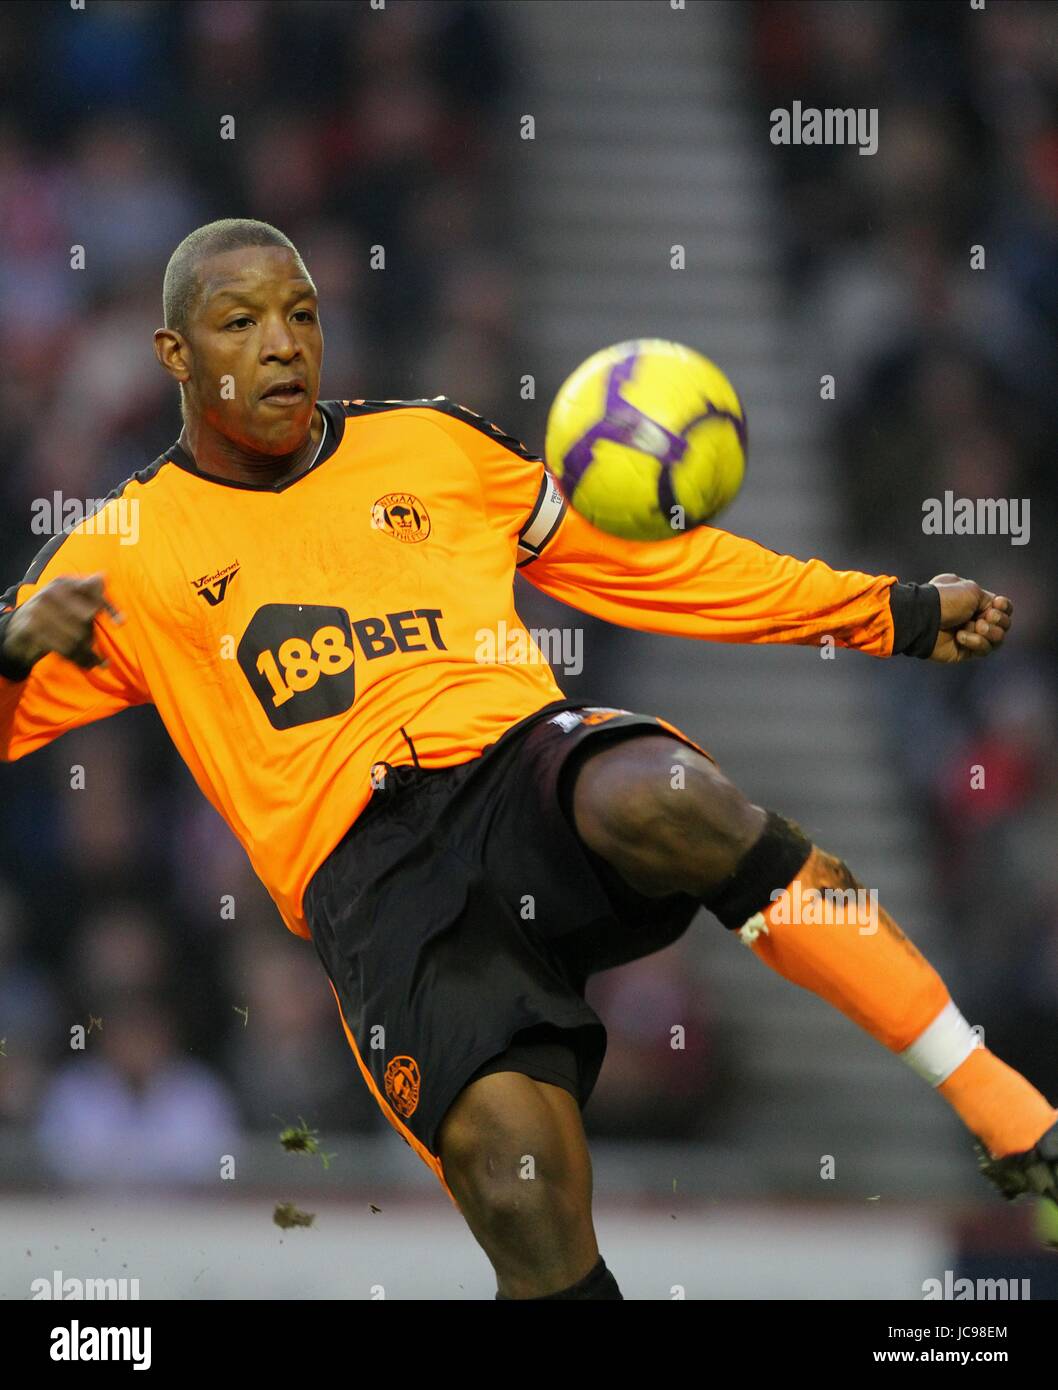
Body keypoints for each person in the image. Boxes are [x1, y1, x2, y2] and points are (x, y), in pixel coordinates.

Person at [1, 218, 1053, 1301]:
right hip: (375, 886)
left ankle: (995, 1100)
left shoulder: (433, 443)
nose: (282, 345)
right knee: (520, 1194)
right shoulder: (121, 546)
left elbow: (657, 569)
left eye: (301, 314)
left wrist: (887, 611)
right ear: (175, 356)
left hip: (517, 771)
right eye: (240, 322)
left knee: (664, 793)